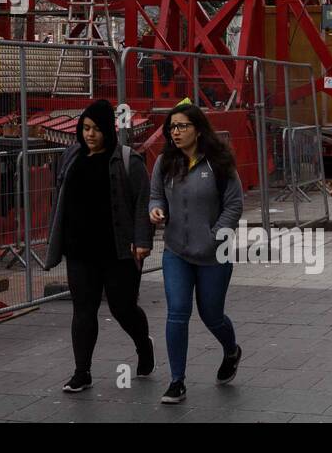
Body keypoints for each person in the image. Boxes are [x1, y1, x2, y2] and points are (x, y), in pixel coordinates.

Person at [45, 99, 154, 393]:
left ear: (108, 129)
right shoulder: (72, 156)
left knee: (123, 308)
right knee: (83, 310)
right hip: (80, 251)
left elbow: (143, 202)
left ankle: (144, 346)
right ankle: (82, 372)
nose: (89, 134)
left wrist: (142, 241)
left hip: (118, 251)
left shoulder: (128, 161)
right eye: (85, 128)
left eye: (95, 129)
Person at [148, 101, 244, 404]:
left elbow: (234, 205)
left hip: (214, 254)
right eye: (171, 127)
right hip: (176, 251)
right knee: (177, 312)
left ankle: (231, 350)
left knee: (211, 314)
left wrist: (215, 237)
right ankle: (177, 381)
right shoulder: (165, 162)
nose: (175, 132)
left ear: (198, 129)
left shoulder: (220, 163)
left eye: (181, 126)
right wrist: (156, 210)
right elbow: (155, 197)